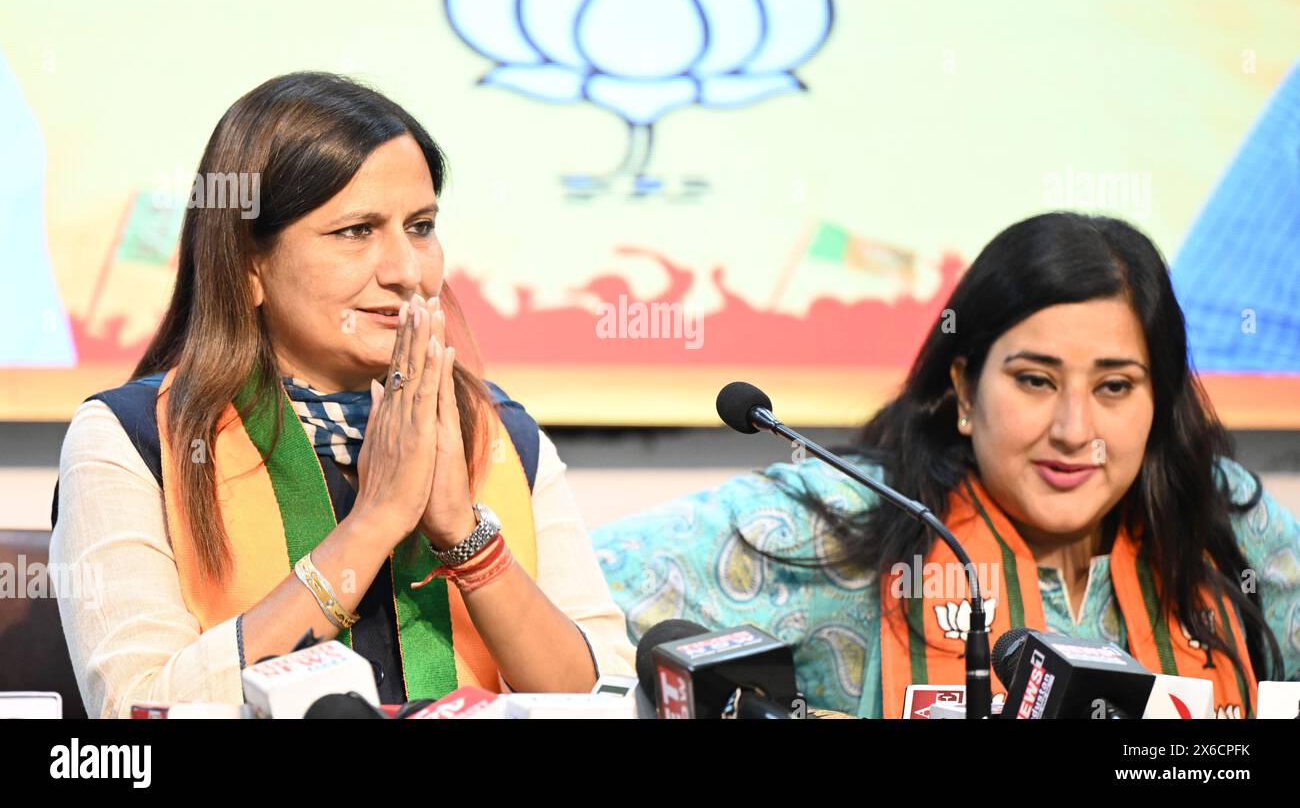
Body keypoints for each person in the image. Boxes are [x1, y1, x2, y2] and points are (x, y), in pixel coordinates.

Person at [52, 72, 634, 718]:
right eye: (357, 231)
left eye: (420, 226)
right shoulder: (132, 439)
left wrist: (465, 537)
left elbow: (612, 698)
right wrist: (376, 520)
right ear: (248, 265)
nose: (407, 271)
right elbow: (135, 707)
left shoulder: (501, 435)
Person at [593, 212, 1300, 718]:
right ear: (964, 390)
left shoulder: (1221, 516)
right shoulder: (852, 518)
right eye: (1035, 381)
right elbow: (578, 601)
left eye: (1115, 387)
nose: (1074, 431)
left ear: (1159, 400)